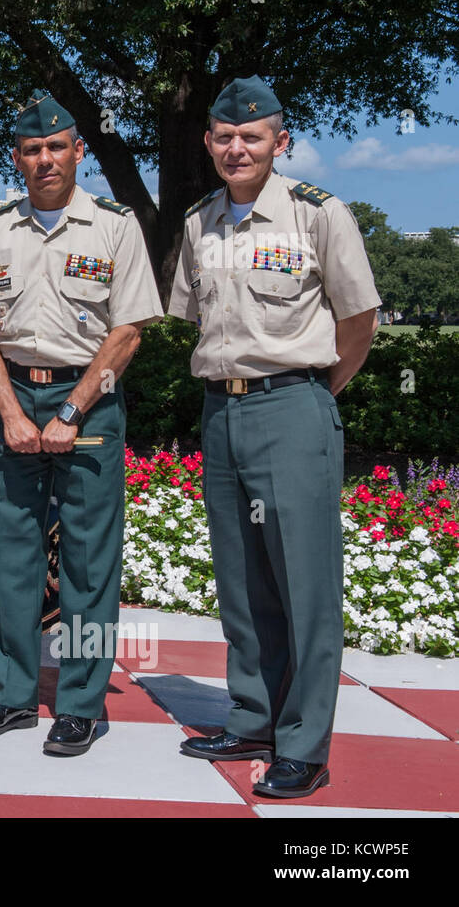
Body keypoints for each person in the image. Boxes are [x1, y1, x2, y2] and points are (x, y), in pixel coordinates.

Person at [168, 76, 380, 797]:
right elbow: (192, 316)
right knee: (242, 579)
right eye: (224, 136)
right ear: (209, 143)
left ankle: (304, 745)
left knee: (304, 584)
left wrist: (315, 396)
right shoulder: (200, 223)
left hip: (293, 405)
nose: (237, 148)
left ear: (279, 142)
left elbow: (358, 323)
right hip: (221, 413)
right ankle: (254, 714)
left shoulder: (319, 216)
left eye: (252, 137)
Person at [0, 91, 163, 755]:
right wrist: (11, 413)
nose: (45, 159)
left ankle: (80, 704)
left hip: (88, 400)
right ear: (18, 159)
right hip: (14, 397)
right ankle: (10, 695)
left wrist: (73, 411)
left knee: (88, 562)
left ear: (78, 152)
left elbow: (127, 333)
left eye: (56, 147)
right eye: (32, 150)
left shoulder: (113, 226)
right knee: (9, 557)